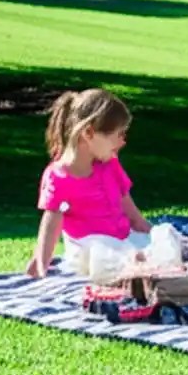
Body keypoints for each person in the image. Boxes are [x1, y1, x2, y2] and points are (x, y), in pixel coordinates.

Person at [26, 89, 152, 278]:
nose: (122, 142)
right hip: (90, 252)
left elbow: (132, 213)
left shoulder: (110, 167)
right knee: (115, 257)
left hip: (122, 241)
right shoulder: (59, 178)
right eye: (118, 135)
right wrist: (41, 263)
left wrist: (151, 234)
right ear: (88, 133)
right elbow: (51, 225)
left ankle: (139, 260)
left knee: (162, 243)